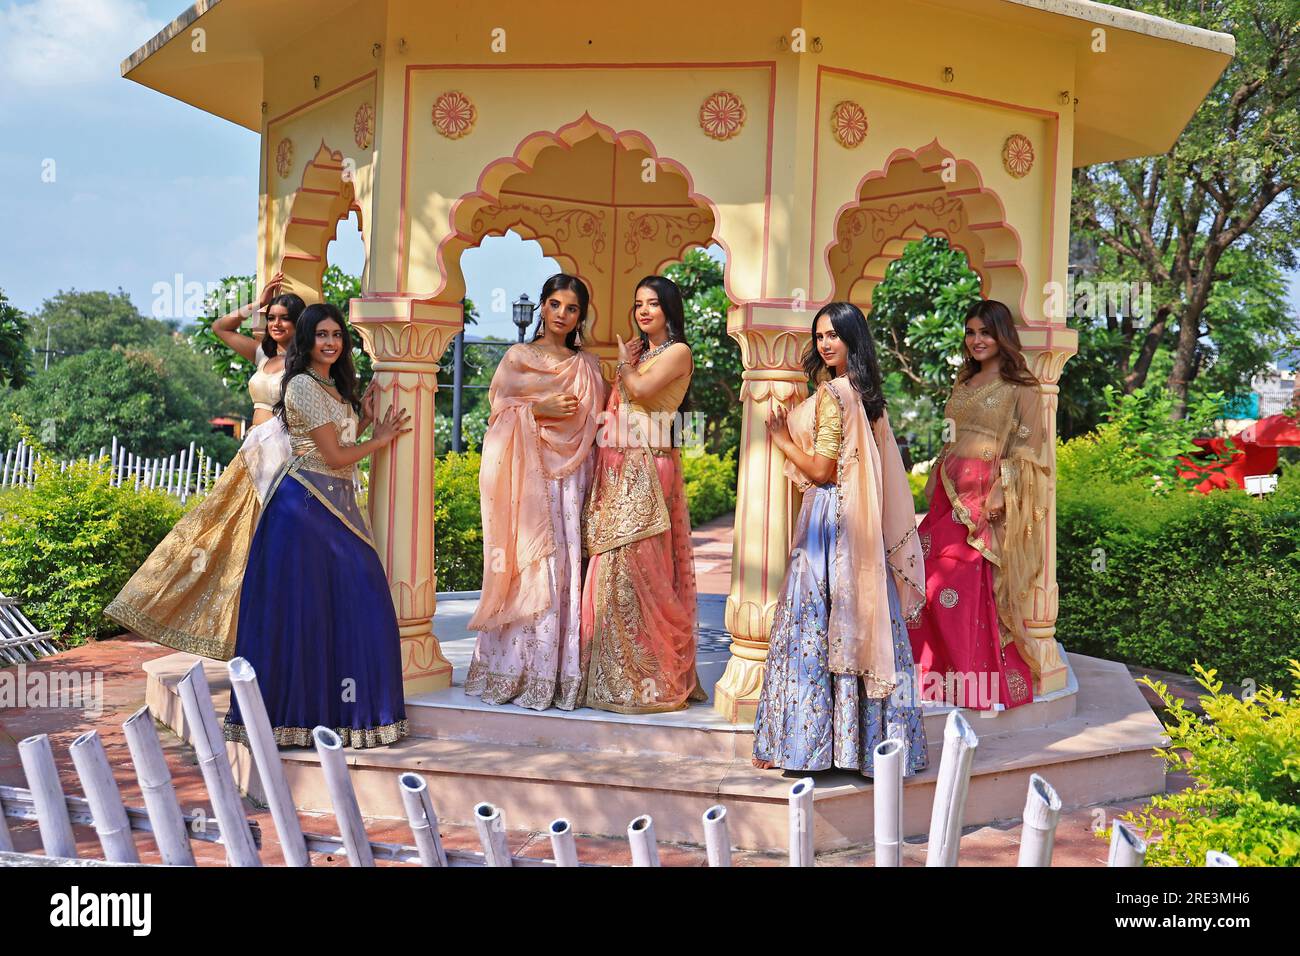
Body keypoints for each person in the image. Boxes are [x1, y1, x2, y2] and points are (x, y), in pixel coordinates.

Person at [223, 303, 411, 748]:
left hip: (332, 505)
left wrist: (362, 419)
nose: (331, 342)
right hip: (304, 509)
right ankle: (294, 718)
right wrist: (378, 440)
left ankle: (345, 717)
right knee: (310, 612)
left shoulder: (330, 385)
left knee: (345, 606)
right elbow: (336, 456)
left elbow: (336, 438)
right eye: (321, 335)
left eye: (337, 335)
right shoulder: (303, 385)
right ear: (305, 341)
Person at [752, 301, 928, 776]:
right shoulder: (868, 394)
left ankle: (809, 747)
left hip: (830, 519)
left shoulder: (835, 393)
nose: (825, 343)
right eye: (820, 336)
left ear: (853, 338)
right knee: (858, 620)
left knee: (812, 622)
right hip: (860, 526)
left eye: (833, 335)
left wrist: (780, 437)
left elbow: (823, 469)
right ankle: (866, 749)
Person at [105, 273, 304, 660]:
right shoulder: (263, 355)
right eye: (273, 317)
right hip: (250, 455)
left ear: (299, 325)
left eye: (284, 318)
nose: (277, 324)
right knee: (212, 534)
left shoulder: (304, 367)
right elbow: (220, 327)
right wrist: (256, 305)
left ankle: (271, 634)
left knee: (263, 544)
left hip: (282, 459)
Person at [465, 274, 605, 710]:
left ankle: (554, 672)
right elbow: (498, 416)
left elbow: (600, 424)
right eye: (556, 305)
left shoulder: (588, 365)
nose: (563, 315)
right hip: (527, 474)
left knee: (562, 565)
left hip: (571, 478)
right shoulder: (518, 357)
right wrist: (537, 411)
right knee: (530, 562)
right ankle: (513, 669)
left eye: (573, 308)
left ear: (581, 316)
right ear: (542, 307)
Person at [908, 299, 1051, 711]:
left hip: (985, 496)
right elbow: (951, 438)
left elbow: (1030, 447)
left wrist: (1003, 490)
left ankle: (975, 682)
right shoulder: (964, 382)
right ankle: (936, 676)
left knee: (965, 584)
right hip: (948, 490)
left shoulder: (1022, 387)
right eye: (970, 332)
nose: (976, 340)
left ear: (1002, 335)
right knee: (928, 583)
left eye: (985, 332)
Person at [578, 275, 703, 714]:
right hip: (622, 469)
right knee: (613, 568)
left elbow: (643, 391)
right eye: (638, 305)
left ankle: (650, 678)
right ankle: (613, 676)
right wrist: (626, 365)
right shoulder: (641, 354)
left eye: (653, 303)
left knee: (642, 569)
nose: (644, 311)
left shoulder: (677, 352)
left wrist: (623, 365)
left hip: (651, 466)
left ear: (669, 308)